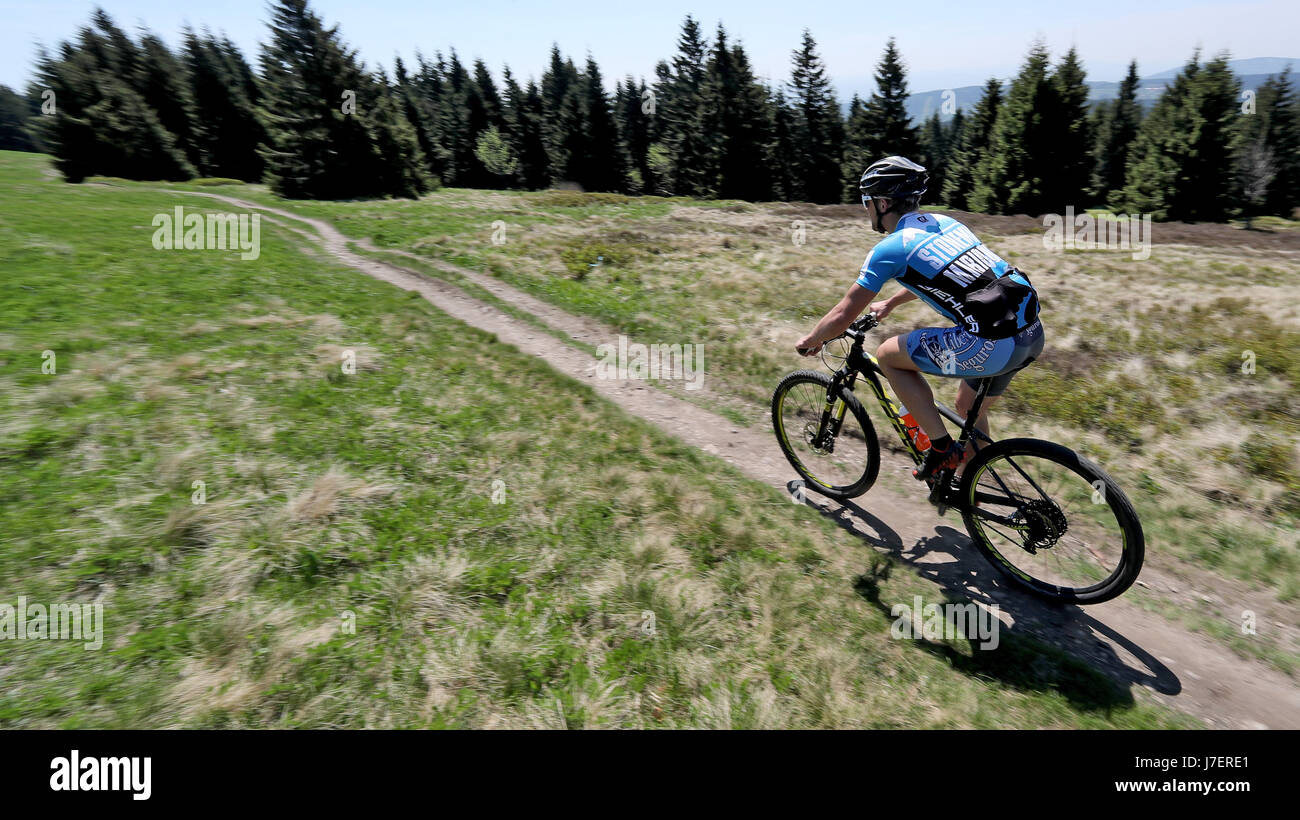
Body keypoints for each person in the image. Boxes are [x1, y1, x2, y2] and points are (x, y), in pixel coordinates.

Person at [795, 155, 1044, 482]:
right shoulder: (946, 224)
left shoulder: (890, 248)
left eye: (867, 202)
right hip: (1031, 334)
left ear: (882, 203)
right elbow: (957, 275)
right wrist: (891, 303)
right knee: (967, 407)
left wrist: (812, 340)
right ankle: (973, 494)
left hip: (990, 345)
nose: (866, 210)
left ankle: (941, 449)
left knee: (887, 355)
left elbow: (844, 313)